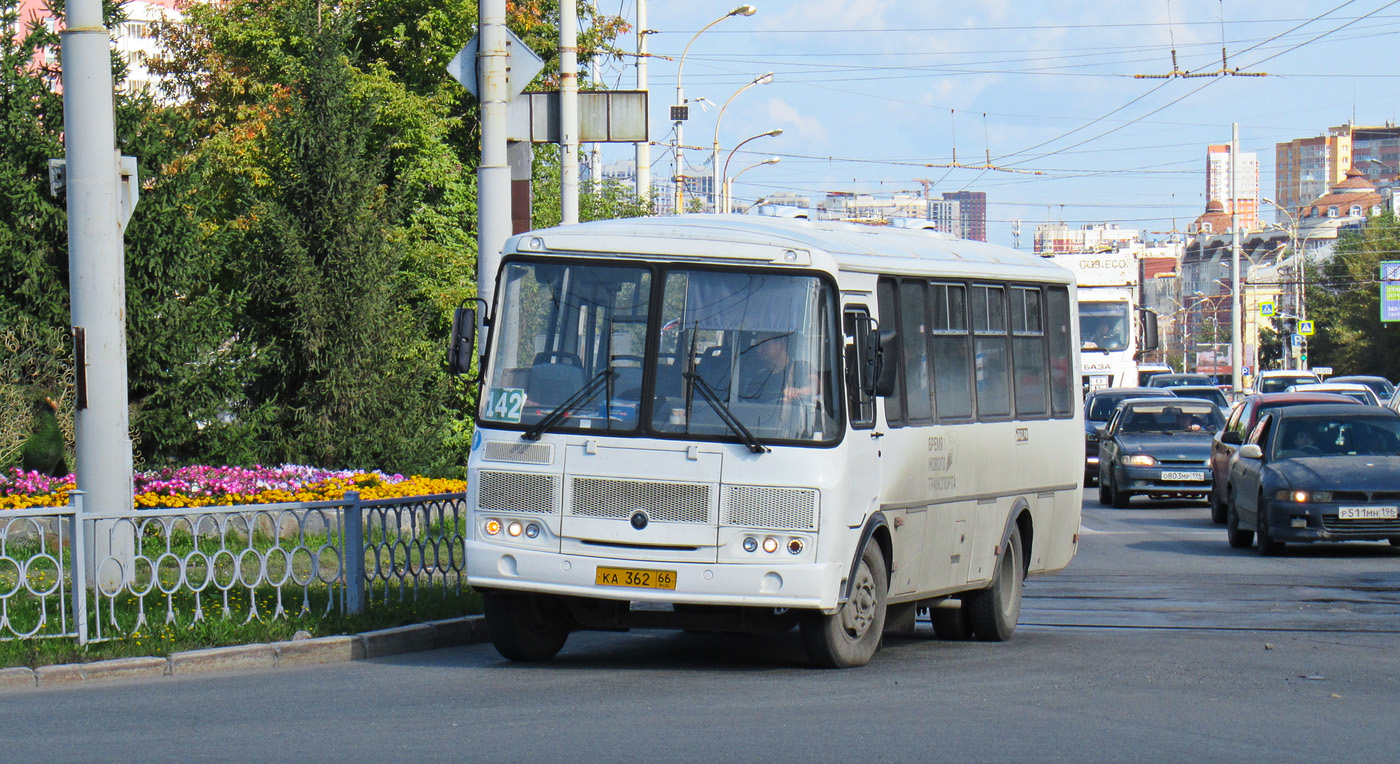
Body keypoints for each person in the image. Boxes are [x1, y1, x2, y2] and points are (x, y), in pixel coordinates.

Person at [738, 331, 814, 403]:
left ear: (782, 343)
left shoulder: (801, 367)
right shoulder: (758, 377)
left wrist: (799, 391)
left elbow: (816, 386)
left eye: (764, 344)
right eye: (757, 345)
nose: (759, 350)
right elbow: (748, 407)